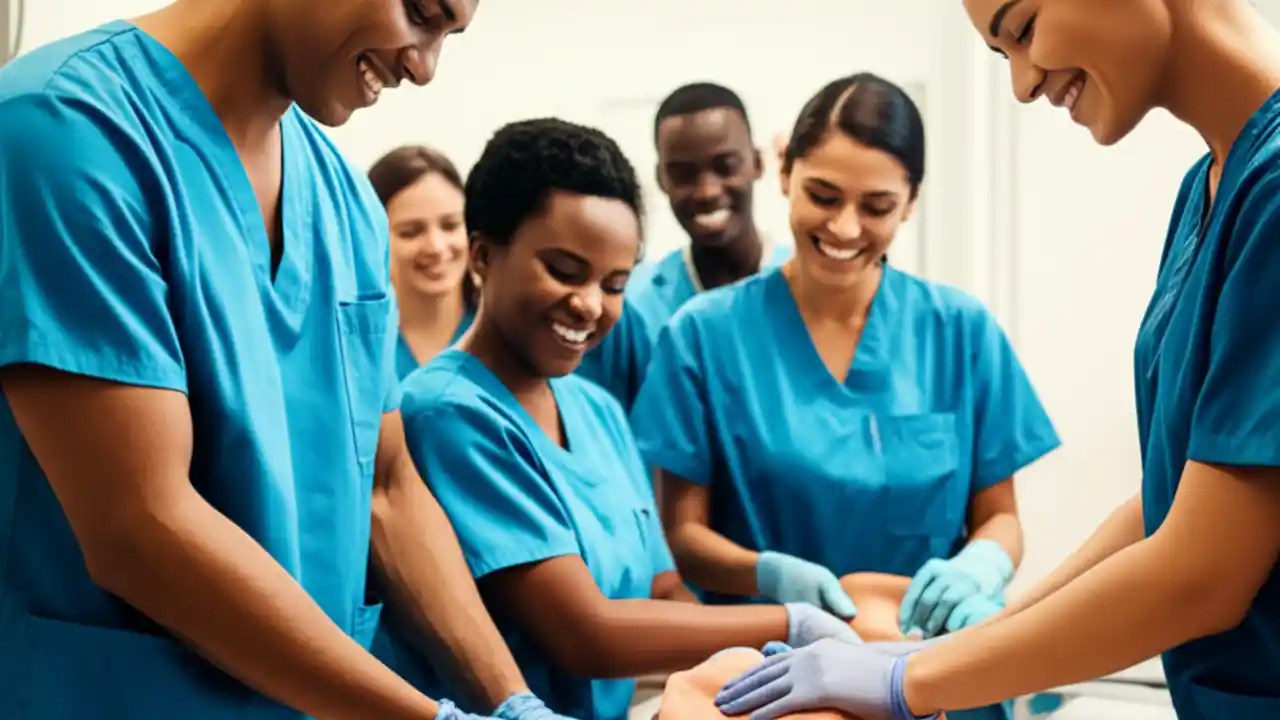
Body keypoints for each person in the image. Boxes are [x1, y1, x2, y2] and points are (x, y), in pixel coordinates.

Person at [713, 2, 1280, 719]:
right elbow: (1176, 502)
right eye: (1000, 51)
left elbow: (1203, 573)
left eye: (1024, 27)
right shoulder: (1212, 188)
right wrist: (961, 646)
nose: (1022, 83)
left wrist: (909, 681)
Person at [0, 2, 567, 719]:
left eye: (448, 36)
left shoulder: (346, 204)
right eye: (422, 13)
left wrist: (513, 704)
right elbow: (138, 526)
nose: (424, 67)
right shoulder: (62, 132)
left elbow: (388, 488)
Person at [378, 117, 860, 720]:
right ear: (482, 254)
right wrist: (789, 623)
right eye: (563, 271)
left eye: (613, 284)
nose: (589, 304)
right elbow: (586, 634)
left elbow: (664, 588)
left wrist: (733, 675)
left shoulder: (598, 411)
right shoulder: (447, 413)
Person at [631, 72, 1061, 719]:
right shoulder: (702, 335)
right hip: (774, 679)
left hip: (933, 671)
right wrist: (768, 575)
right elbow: (684, 535)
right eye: (823, 195)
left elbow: (1001, 516)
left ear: (911, 202)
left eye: (877, 206)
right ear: (784, 173)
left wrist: (982, 565)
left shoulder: (960, 331)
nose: (844, 226)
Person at [626, 82, 790, 341]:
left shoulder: (811, 287)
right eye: (683, 174)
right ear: (661, 179)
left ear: (757, 163)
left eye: (726, 167)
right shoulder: (634, 306)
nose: (707, 192)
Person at [369, 145, 477, 379]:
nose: (436, 247)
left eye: (450, 226)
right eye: (410, 232)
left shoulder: (509, 335)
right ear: (373, 239)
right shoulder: (358, 346)